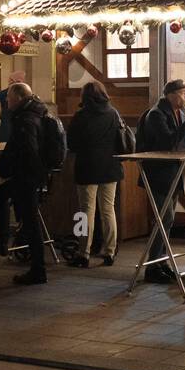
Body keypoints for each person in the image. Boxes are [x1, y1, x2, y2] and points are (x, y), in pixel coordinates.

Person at [134, 79, 185, 284]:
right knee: (163, 219)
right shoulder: (156, 115)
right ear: (172, 95)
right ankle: (152, 266)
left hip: (173, 174)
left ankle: (160, 263)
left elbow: (184, 144)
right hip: (158, 174)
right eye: (184, 93)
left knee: (168, 219)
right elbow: (167, 143)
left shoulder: (178, 113)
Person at [0, 83, 53, 286]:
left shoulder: (25, 120)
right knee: (25, 215)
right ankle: (4, 238)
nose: (6, 102)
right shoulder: (38, 113)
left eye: (9, 98)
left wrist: (6, 168)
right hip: (36, 176)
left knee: (30, 222)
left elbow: (24, 150)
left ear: (19, 98)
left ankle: (37, 268)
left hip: (27, 177)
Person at [66, 82, 123, 268]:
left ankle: (83, 253)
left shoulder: (81, 116)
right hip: (110, 166)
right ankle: (110, 252)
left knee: (84, 212)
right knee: (108, 210)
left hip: (87, 167)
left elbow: (72, 143)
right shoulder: (113, 113)